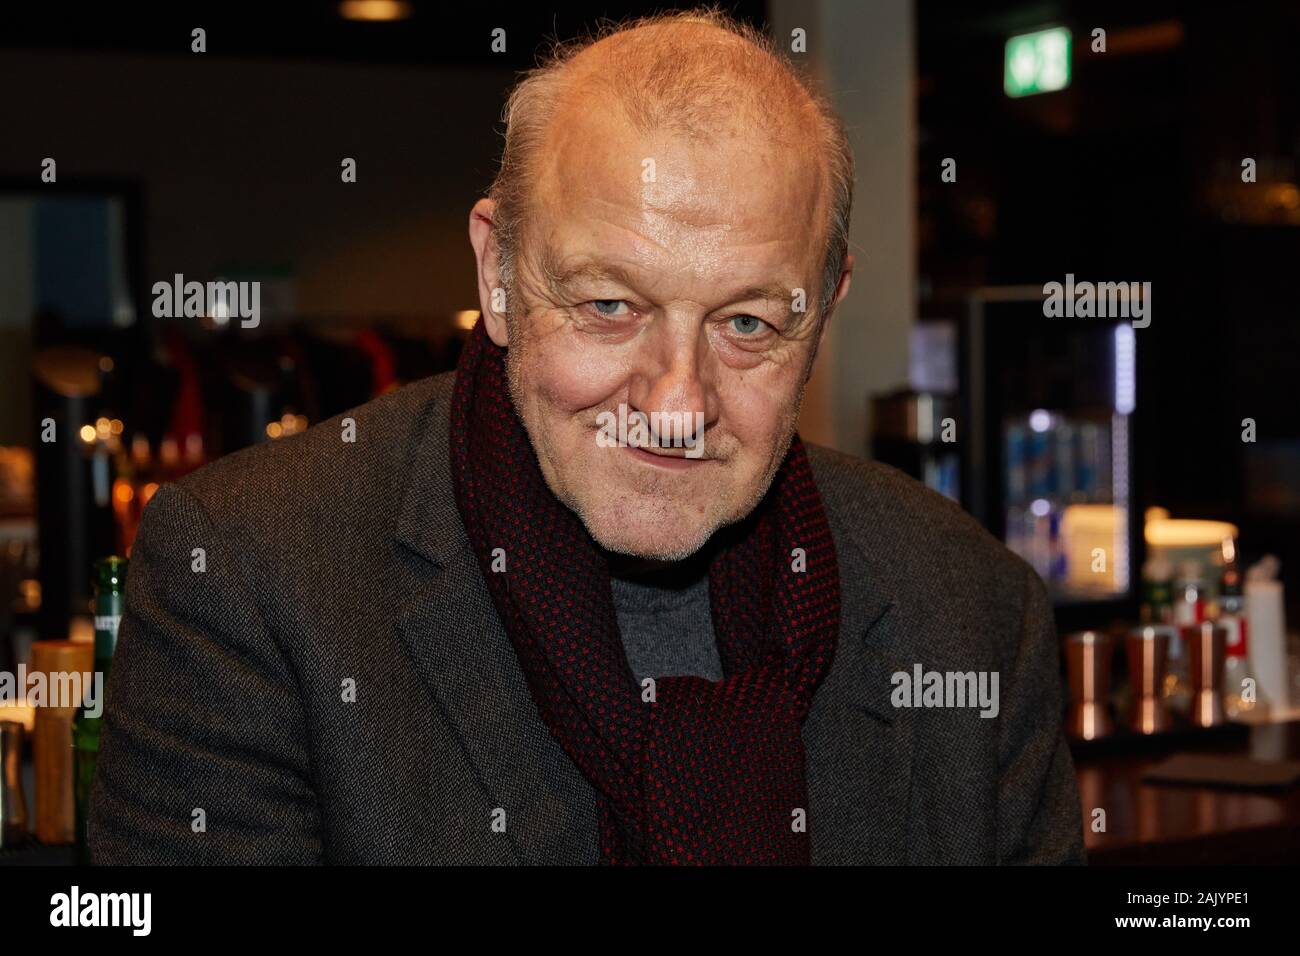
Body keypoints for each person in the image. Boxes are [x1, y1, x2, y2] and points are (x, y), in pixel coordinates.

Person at [91, 9, 1084, 865]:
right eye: (609, 304)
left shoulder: (969, 608)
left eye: (747, 324)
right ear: (497, 274)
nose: (674, 401)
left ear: (824, 310)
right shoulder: (251, 576)